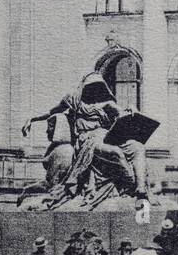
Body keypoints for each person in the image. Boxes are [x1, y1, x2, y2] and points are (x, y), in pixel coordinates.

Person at [23, 73, 146, 211]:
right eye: (91, 86)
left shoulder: (107, 104)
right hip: (89, 141)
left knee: (137, 147)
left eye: (98, 86)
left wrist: (132, 110)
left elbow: (122, 113)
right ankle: (130, 185)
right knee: (116, 153)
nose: (95, 90)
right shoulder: (74, 101)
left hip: (108, 137)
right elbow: (53, 111)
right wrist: (32, 119)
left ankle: (141, 190)